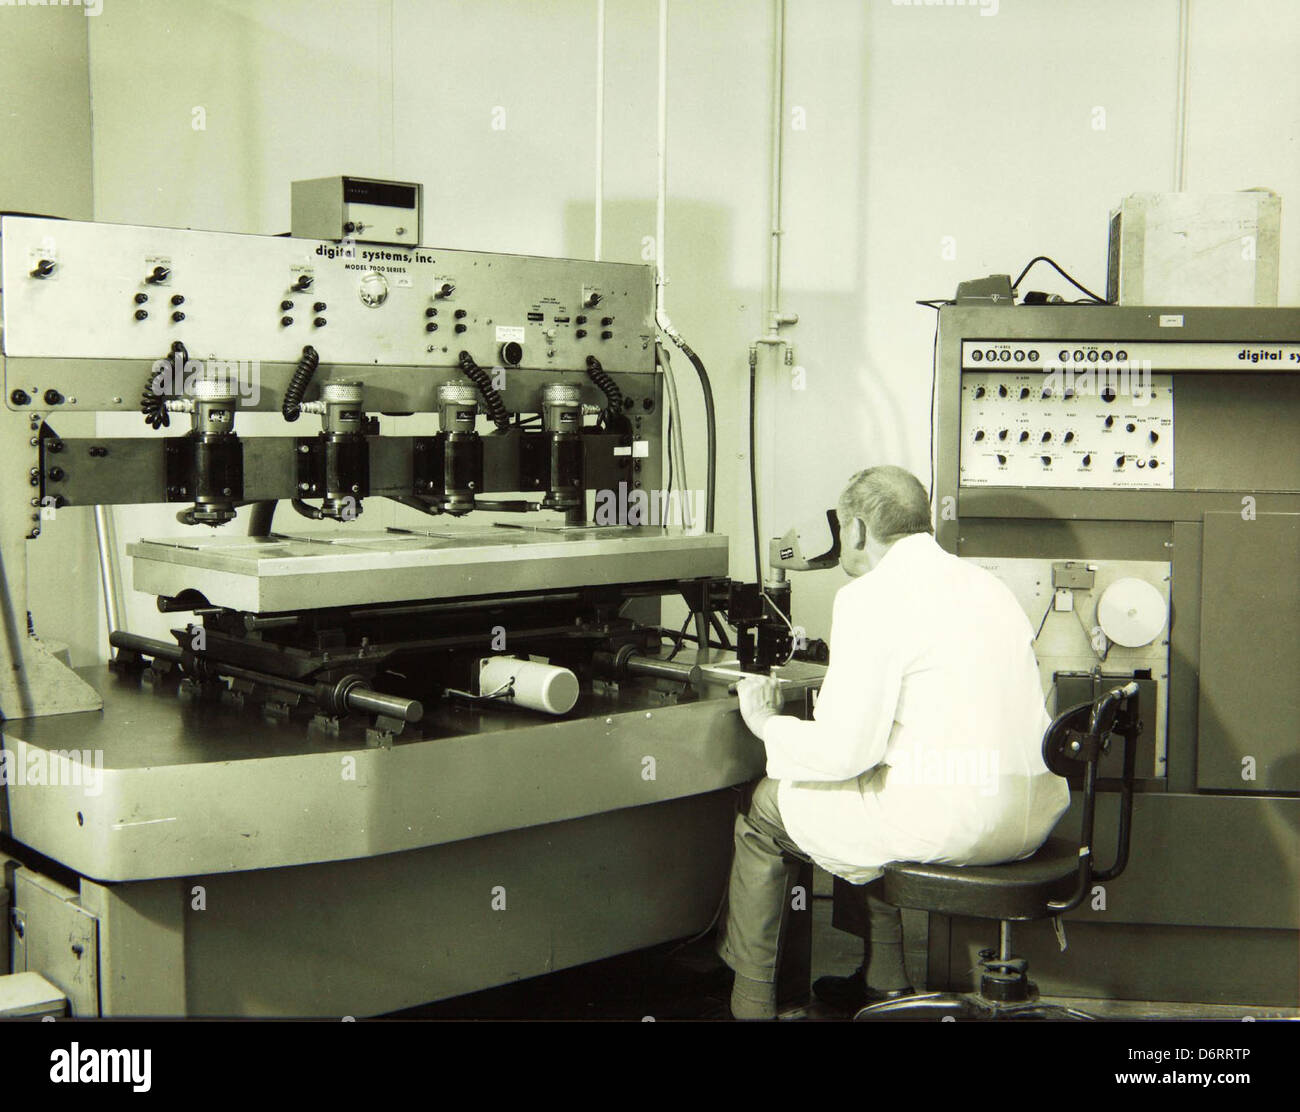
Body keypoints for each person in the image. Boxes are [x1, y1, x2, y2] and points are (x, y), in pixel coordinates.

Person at [718, 465, 1069, 1019]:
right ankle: (886, 982)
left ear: (855, 530)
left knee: (766, 808)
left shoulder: (869, 597)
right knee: (861, 796)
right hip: (1032, 817)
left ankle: (750, 1006)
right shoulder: (988, 585)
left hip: (955, 821)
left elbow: (841, 753)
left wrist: (766, 722)